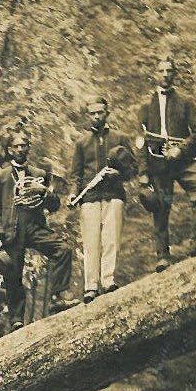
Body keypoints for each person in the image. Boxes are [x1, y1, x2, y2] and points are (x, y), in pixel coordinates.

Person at [138, 58, 196, 271]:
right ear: (155, 74)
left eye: (169, 71)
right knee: (162, 207)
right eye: (161, 70)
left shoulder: (186, 101)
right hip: (158, 166)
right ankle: (163, 256)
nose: (165, 74)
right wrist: (143, 172)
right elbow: (140, 140)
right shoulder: (146, 106)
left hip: (182, 162)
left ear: (175, 74)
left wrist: (180, 149)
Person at [0, 130, 75, 327]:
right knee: (13, 273)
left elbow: (54, 206)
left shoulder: (39, 175)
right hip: (12, 228)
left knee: (63, 249)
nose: (20, 149)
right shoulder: (0, 177)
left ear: (29, 148)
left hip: (34, 225)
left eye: (24, 145)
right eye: (16, 146)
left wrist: (43, 191)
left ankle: (58, 296)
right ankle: (16, 319)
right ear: (10, 150)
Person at [68, 97, 136, 302]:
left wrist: (120, 175)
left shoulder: (120, 138)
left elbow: (133, 168)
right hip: (89, 197)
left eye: (100, 112)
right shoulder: (81, 143)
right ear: (88, 116)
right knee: (91, 243)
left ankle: (108, 280)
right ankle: (91, 286)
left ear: (107, 113)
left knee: (111, 240)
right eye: (92, 113)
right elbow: (75, 174)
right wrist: (73, 193)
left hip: (114, 195)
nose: (96, 116)